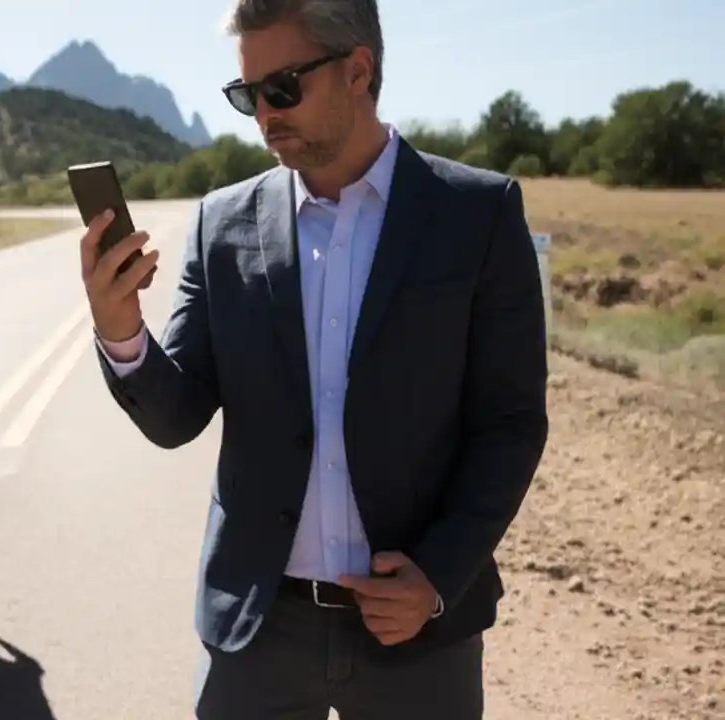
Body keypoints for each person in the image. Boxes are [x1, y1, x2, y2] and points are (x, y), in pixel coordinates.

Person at [78, 0, 549, 717]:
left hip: (416, 630)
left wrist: (437, 578)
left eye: (283, 88)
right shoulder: (221, 223)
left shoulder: (479, 215)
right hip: (260, 628)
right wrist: (122, 332)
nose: (264, 115)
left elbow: (510, 422)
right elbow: (176, 417)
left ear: (358, 70)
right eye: (247, 96)